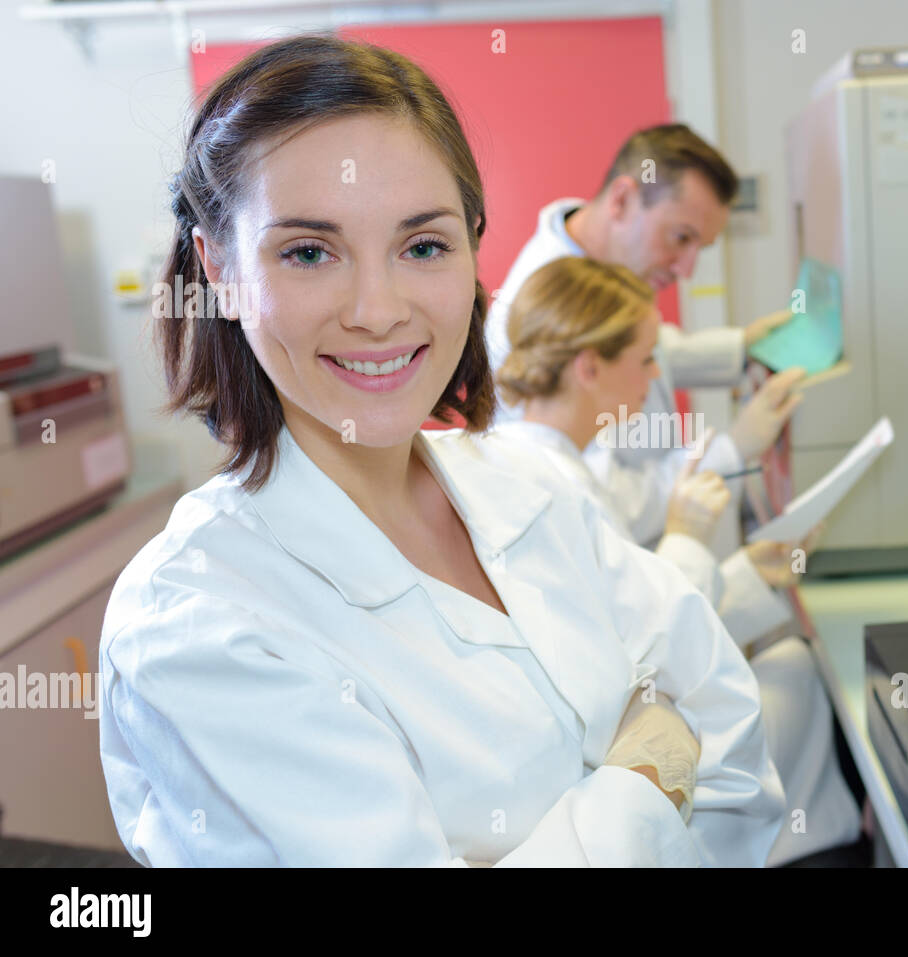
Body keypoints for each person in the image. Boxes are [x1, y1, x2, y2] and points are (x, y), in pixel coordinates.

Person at [97, 33, 782, 868]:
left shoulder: (528, 482)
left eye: (422, 246)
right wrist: (648, 769)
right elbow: (693, 745)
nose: (378, 310)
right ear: (218, 267)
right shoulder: (201, 623)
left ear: (471, 249)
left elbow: (742, 771)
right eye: (309, 252)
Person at [494, 256, 863, 865]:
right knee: (792, 676)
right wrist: (689, 539)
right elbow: (641, 657)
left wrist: (747, 567)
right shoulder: (552, 486)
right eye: (644, 360)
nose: (651, 378)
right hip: (609, 763)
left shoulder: (565, 461)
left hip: (611, 733)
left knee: (791, 664)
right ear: (589, 368)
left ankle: (817, 843)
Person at [485, 124, 802, 544]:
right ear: (621, 200)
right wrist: (730, 451)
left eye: (698, 249)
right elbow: (607, 503)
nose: (686, 270)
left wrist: (740, 349)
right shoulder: (536, 312)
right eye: (680, 238)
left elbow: (633, 348)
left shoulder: (602, 267)